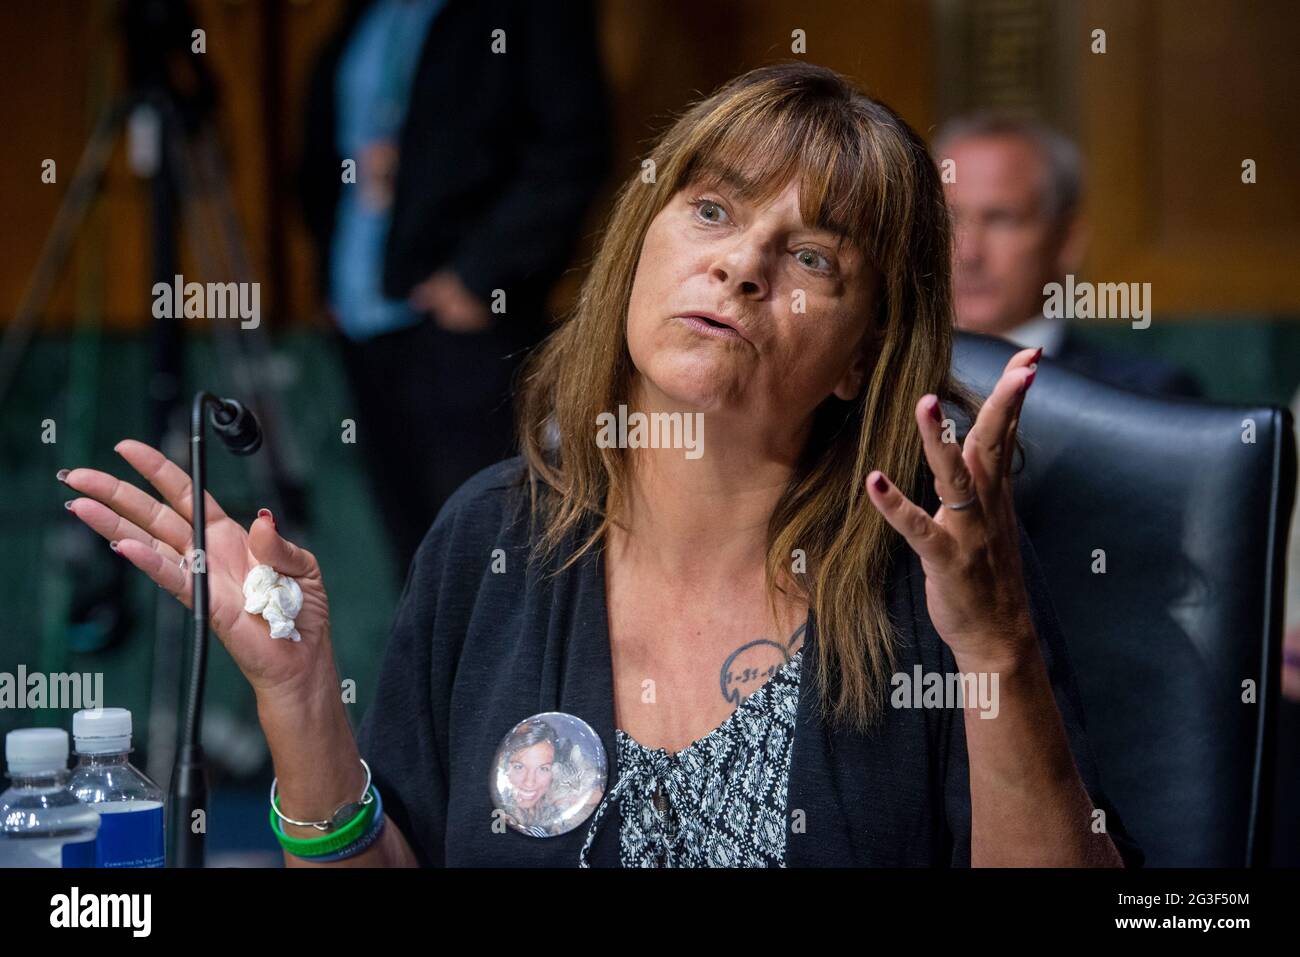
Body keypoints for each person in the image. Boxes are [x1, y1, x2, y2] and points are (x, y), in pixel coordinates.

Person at [59, 62, 1142, 867]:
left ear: (863, 355)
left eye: (812, 255)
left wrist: (995, 651)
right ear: (642, 243)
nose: (741, 263)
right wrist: (300, 707)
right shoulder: (488, 539)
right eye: (712, 208)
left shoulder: (941, 575)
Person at [299, 0, 611, 577]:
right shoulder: (363, 15)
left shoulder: (522, 14)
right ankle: (433, 671)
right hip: (361, 317)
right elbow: (326, 151)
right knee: (412, 556)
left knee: (494, 551)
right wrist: (328, 274)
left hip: (468, 319)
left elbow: (572, 145)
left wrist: (479, 278)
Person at [935, 114, 1202, 398]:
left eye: (1001, 220)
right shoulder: (889, 382)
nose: (968, 253)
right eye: (949, 219)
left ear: (1067, 242)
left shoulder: (1145, 395)